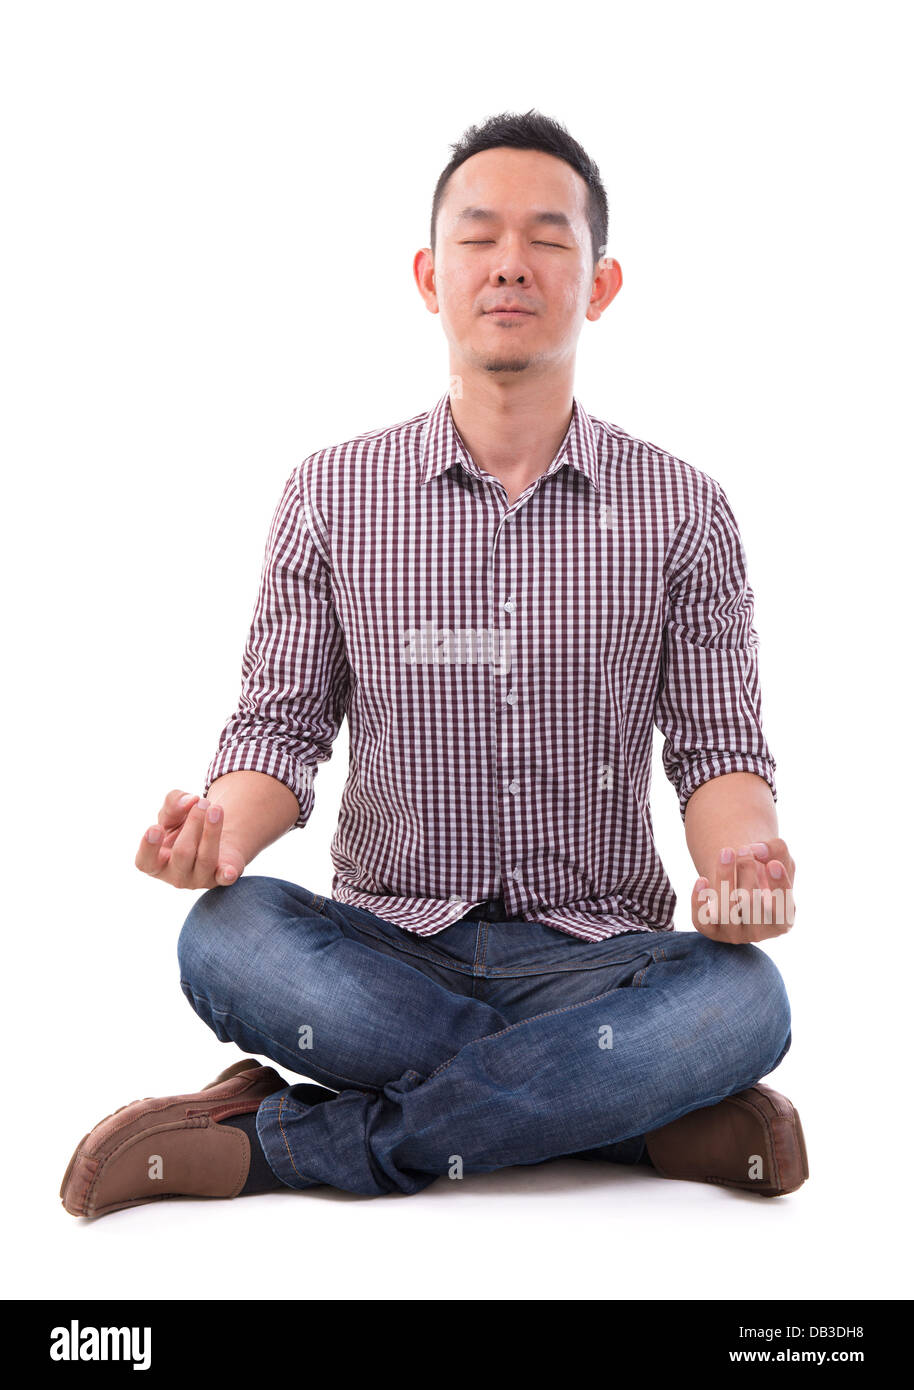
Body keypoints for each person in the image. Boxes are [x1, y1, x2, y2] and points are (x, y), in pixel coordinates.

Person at [61, 109, 807, 1219]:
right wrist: (218, 828)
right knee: (226, 938)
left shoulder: (682, 509)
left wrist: (740, 863)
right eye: (479, 236)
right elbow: (279, 731)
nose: (511, 262)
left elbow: (715, 753)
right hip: (384, 948)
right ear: (429, 275)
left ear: (597, 284)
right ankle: (632, 1107)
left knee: (740, 1002)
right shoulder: (330, 491)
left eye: (548, 238)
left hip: (595, 951)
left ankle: (280, 1143)